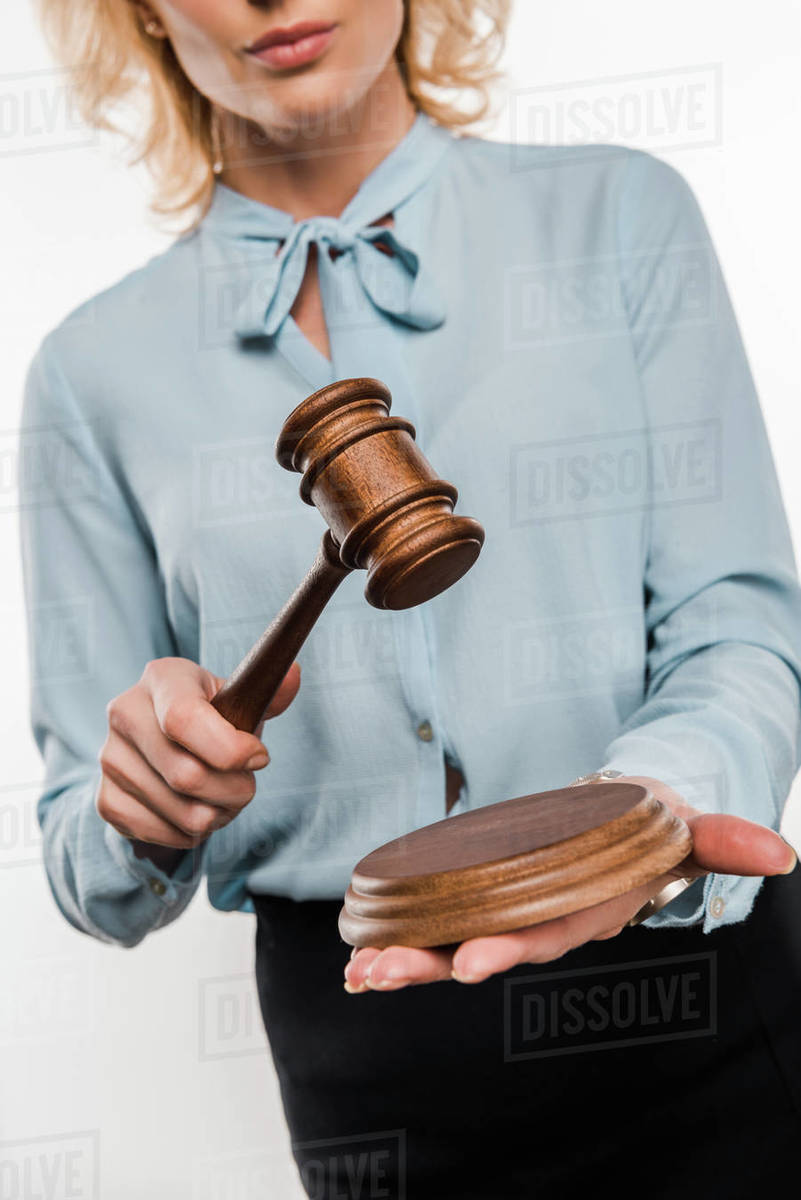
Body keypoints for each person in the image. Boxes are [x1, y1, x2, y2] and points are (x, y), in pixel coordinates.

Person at [23, 0, 801, 1194]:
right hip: (368, 1056)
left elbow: (740, 627)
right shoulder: (90, 374)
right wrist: (141, 803)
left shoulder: (620, 215)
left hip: (684, 978)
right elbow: (88, 860)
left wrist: (648, 811)